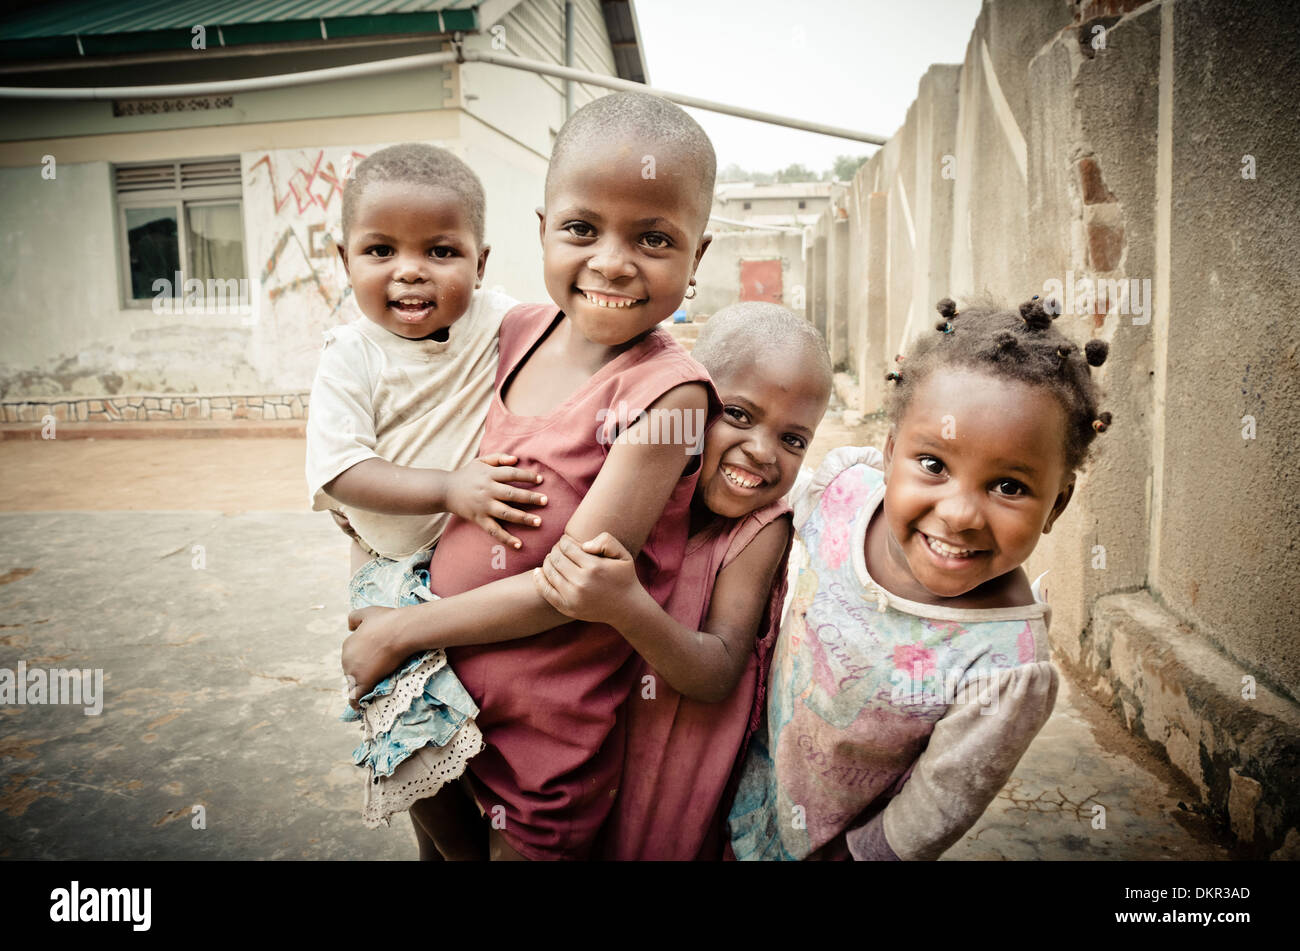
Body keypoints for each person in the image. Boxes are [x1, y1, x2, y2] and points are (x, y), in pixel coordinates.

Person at [341, 91, 721, 861]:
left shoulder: (663, 393)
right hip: (438, 687)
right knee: (441, 846)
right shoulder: (514, 328)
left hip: (548, 722)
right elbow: (404, 389)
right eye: (582, 229)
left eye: (653, 237)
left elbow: (571, 582)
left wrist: (401, 630)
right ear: (542, 230)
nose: (612, 261)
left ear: (698, 256)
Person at [729, 295, 1115, 861]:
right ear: (889, 455)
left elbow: (936, 808)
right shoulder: (840, 496)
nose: (959, 514)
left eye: (1008, 486)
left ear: (1057, 503)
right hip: (733, 782)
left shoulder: (1004, 664)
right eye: (933, 465)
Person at [304, 143, 546, 856]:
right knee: (405, 731)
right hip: (385, 563)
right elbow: (342, 469)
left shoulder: (504, 322)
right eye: (380, 249)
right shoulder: (351, 354)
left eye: (440, 250)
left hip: (469, 559)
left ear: (481, 260)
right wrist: (451, 488)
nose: (409, 269)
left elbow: (578, 338)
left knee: (478, 725)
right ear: (342, 256)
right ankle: (454, 852)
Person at [530, 302, 834, 859]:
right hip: (586, 741)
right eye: (739, 414)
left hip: (674, 760)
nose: (763, 451)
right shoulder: (628, 482)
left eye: (794, 440)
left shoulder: (759, 530)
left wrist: (627, 605)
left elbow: (717, 669)